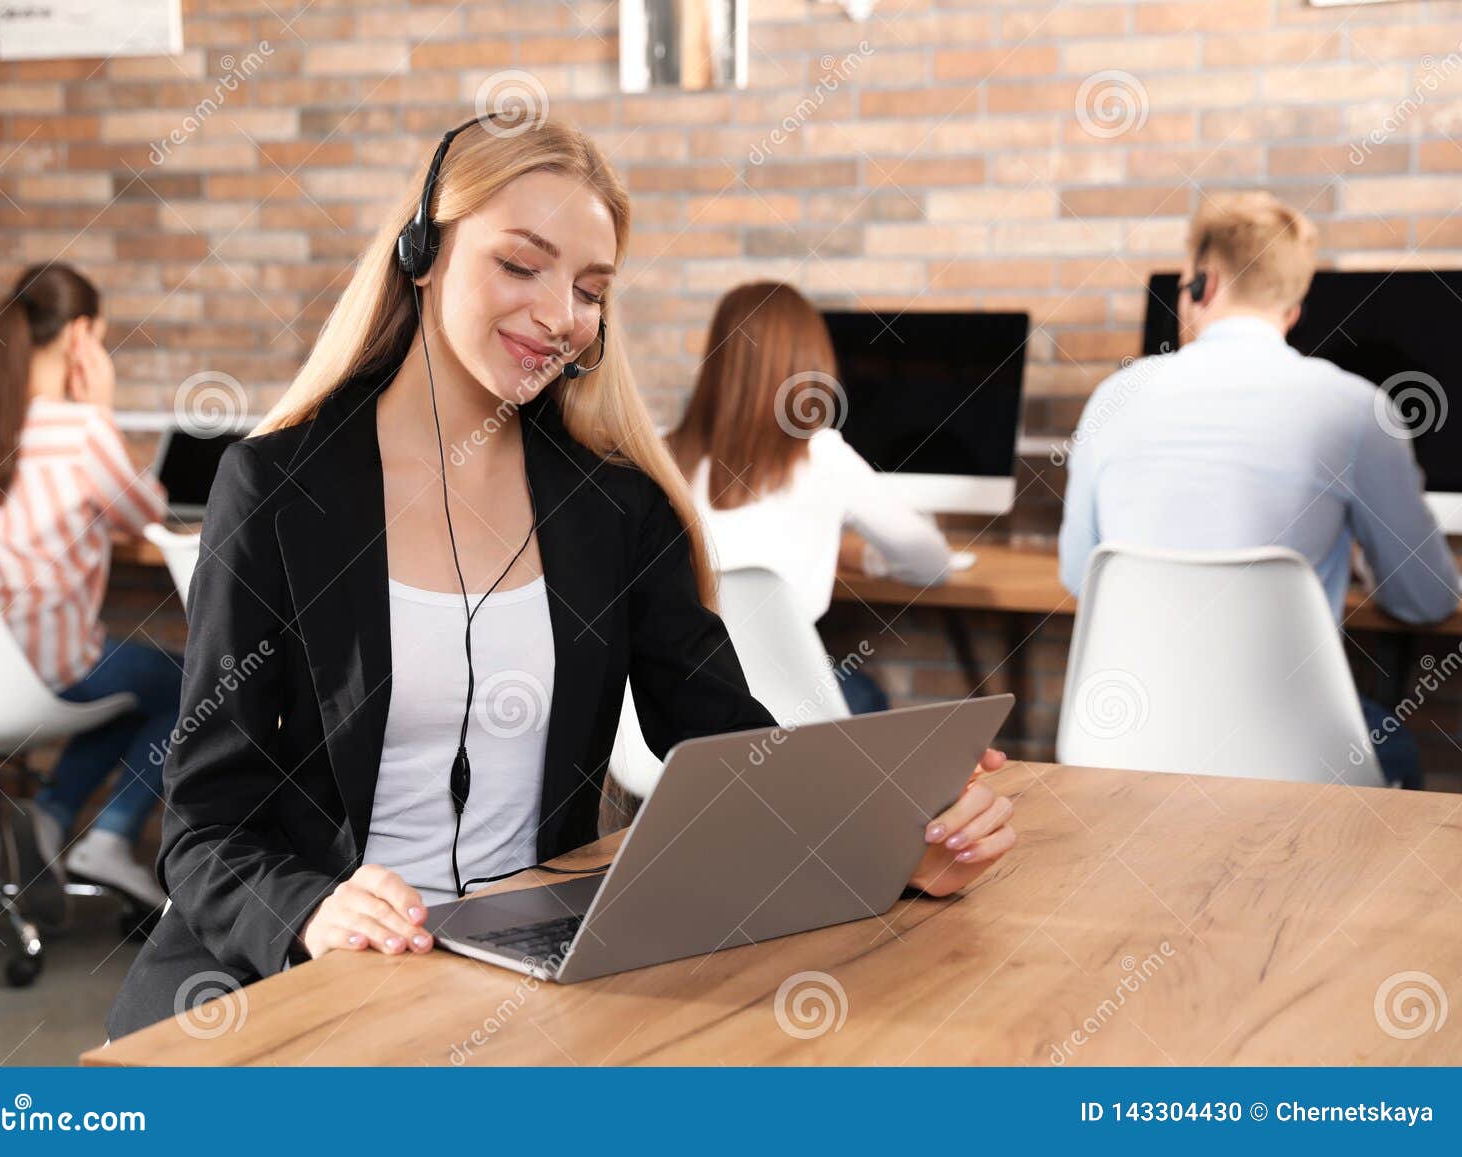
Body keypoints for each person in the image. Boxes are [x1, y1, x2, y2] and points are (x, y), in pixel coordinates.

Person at [106, 116, 1016, 1039]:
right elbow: (207, 822)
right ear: (422, 252)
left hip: (520, 986)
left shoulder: (616, 510)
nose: (559, 316)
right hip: (307, 973)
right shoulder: (278, 490)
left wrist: (899, 835)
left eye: (590, 289)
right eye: (520, 265)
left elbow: (736, 755)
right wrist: (309, 908)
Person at [1059, 191, 1460, 787]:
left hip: (1123, 745)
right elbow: (1426, 600)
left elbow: (1079, 576)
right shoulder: (1357, 409)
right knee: (1395, 743)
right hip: (1296, 761)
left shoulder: (1112, 397)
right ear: (1293, 309)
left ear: (1202, 283)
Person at [0, 263, 182, 920]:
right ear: (81, 337)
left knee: (138, 686)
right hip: (55, 669)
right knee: (191, 682)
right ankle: (108, 837)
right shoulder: (81, 431)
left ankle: (49, 814)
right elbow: (148, 513)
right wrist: (100, 411)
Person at [668, 281, 956, 714]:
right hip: (784, 714)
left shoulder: (660, 453)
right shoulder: (823, 454)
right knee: (866, 695)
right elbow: (932, 563)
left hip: (676, 711)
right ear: (810, 365)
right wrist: (871, 559)